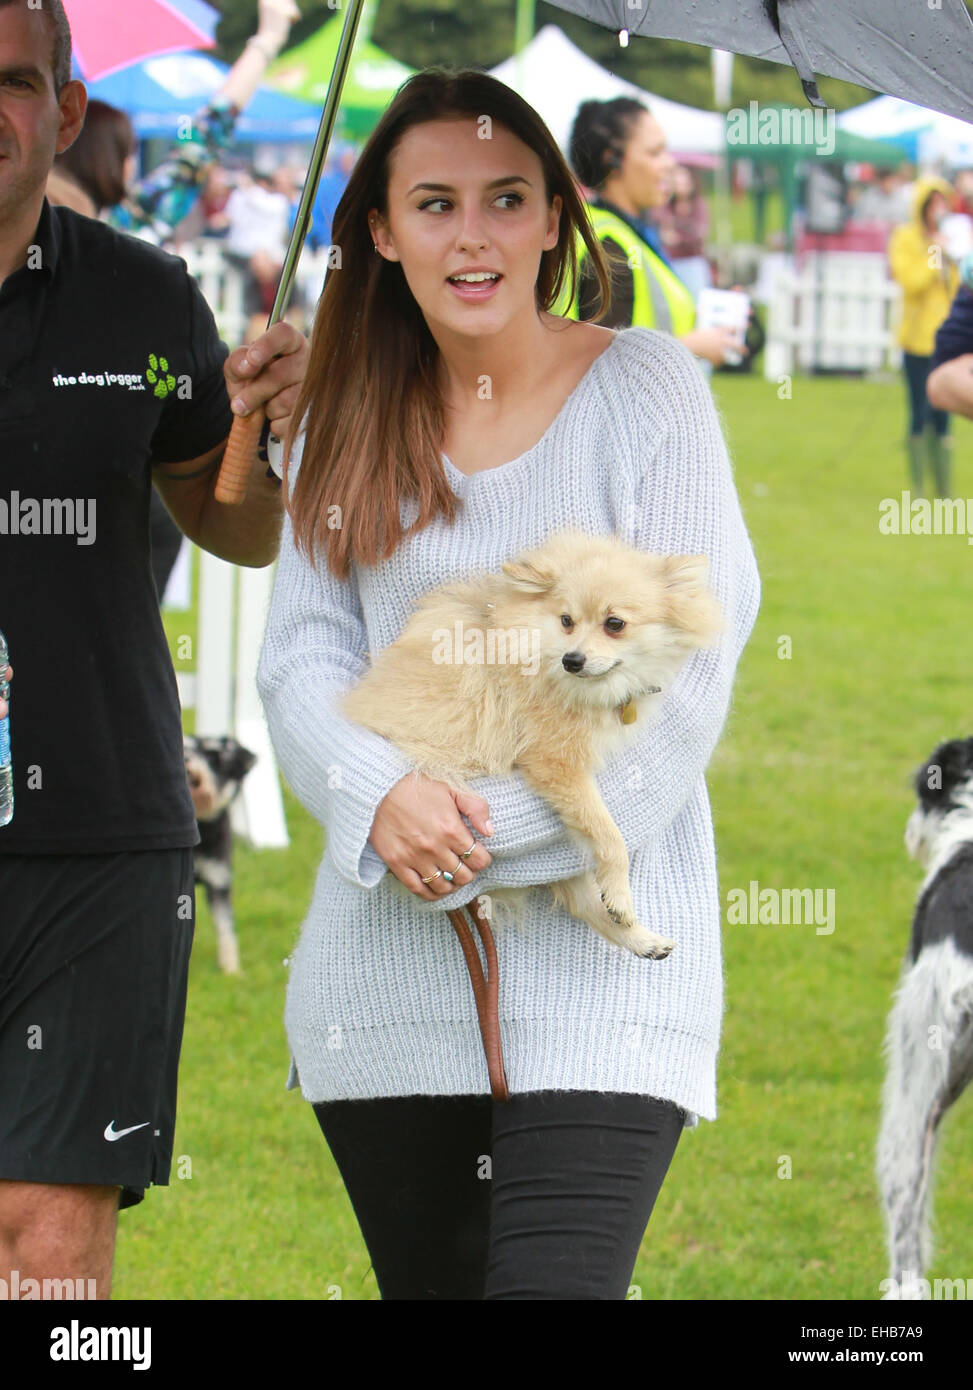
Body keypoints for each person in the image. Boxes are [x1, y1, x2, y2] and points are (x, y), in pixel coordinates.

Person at [256, 67, 760, 1301]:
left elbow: (686, 676)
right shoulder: (343, 414)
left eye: (505, 199)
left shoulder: (646, 391)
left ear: (553, 218)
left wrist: (484, 838)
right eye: (433, 203)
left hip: (604, 981)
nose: (472, 235)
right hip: (384, 990)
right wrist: (378, 796)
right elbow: (300, 655)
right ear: (380, 228)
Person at [0, 0, 308, 1298]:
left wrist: (255, 425)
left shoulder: (143, 293)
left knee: (52, 1232)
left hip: (102, 827)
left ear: (65, 112)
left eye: (11, 82)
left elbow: (234, 528)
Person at [45, 0, 300, 246]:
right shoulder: (118, 226)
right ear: (104, 158)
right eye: (129, 151)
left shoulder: (25, 221)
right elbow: (201, 142)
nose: (132, 165)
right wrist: (267, 39)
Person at [558, 97, 745, 368]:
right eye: (655, 152)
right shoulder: (610, 245)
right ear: (614, 160)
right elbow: (603, 364)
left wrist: (707, 319)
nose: (670, 164)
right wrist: (693, 347)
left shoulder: (622, 232)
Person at [888, 177, 960, 497]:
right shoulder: (906, 239)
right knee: (919, 410)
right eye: (931, 204)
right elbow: (911, 281)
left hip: (947, 340)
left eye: (941, 203)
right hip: (917, 339)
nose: (937, 210)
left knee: (944, 411)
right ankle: (918, 487)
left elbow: (958, 285)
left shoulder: (952, 241)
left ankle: (942, 486)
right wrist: (935, 254)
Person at [657, 163, 712, 304]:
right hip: (672, 263)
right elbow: (663, 233)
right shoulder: (666, 206)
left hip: (693, 263)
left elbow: (699, 234)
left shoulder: (698, 205)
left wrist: (678, 234)